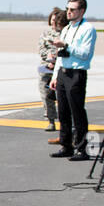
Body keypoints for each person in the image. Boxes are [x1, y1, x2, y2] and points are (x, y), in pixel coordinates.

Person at [48, 0, 95, 161]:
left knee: (77, 111)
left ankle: (82, 148)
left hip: (76, 73)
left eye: (72, 9)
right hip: (63, 72)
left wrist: (67, 45)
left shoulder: (88, 29)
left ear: (81, 11)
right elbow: (61, 56)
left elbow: (85, 53)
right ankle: (66, 145)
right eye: (68, 8)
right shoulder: (66, 28)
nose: (68, 12)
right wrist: (55, 76)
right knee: (63, 111)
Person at [38, 7, 65, 135]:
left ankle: (65, 121)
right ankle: (51, 120)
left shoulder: (65, 33)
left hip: (60, 67)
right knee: (46, 95)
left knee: (61, 96)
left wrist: (56, 59)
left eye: (56, 20)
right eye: (52, 20)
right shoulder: (45, 34)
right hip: (46, 68)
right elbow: (41, 49)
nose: (54, 22)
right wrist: (48, 58)